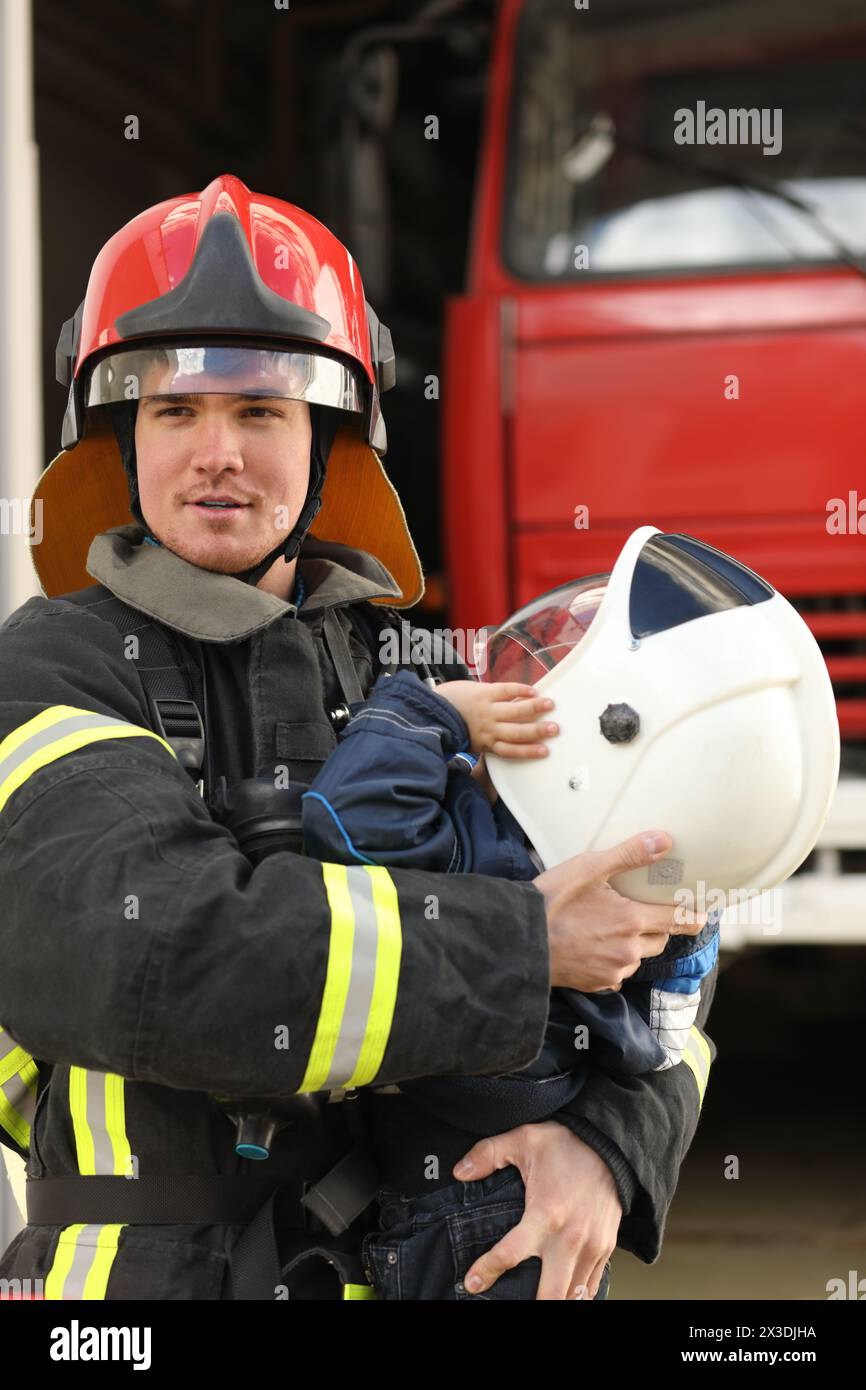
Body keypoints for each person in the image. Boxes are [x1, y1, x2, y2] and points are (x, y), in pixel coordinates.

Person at [0, 174, 714, 1301]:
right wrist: (520, 945)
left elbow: (652, 940)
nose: (215, 451)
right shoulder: (51, 670)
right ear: (117, 442)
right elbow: (165, 966)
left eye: (260, 411)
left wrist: (608, 1146)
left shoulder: (411, 682)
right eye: (174, 411)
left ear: (335, 441)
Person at [300, 661, 720, 1300]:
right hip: (520, 1185)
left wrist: (429, 712)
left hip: (474, 1195)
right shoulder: (626, 878)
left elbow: (346, 822)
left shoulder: (483, 849)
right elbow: (665, 1038)